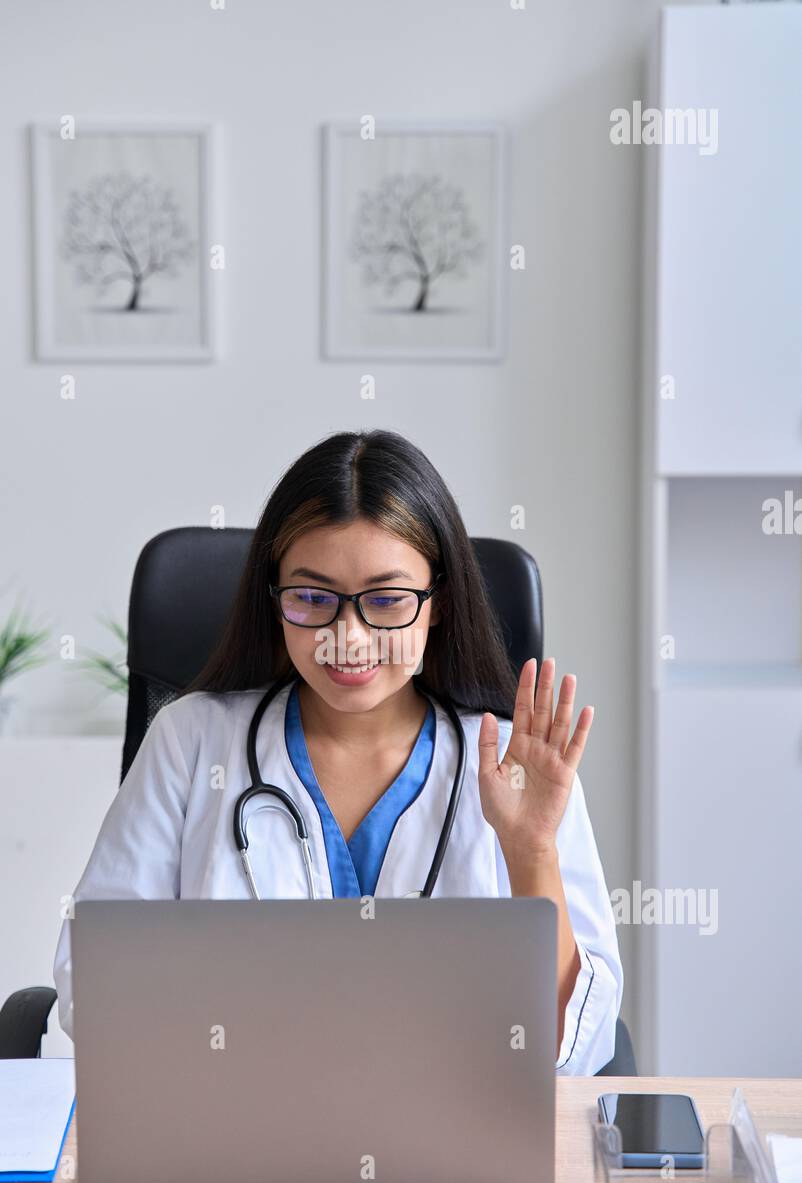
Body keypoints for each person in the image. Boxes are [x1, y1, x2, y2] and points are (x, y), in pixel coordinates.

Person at [54, 428, 622, 1073]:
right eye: (313, 598)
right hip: (234, 1127)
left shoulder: (514, 764)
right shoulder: (191, 741)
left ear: (437, 604)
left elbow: (579, 1047)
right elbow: (90, 979)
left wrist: (531, 849)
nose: (347, 636)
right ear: (275, 602)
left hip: (449, 1138)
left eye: (386, 600)